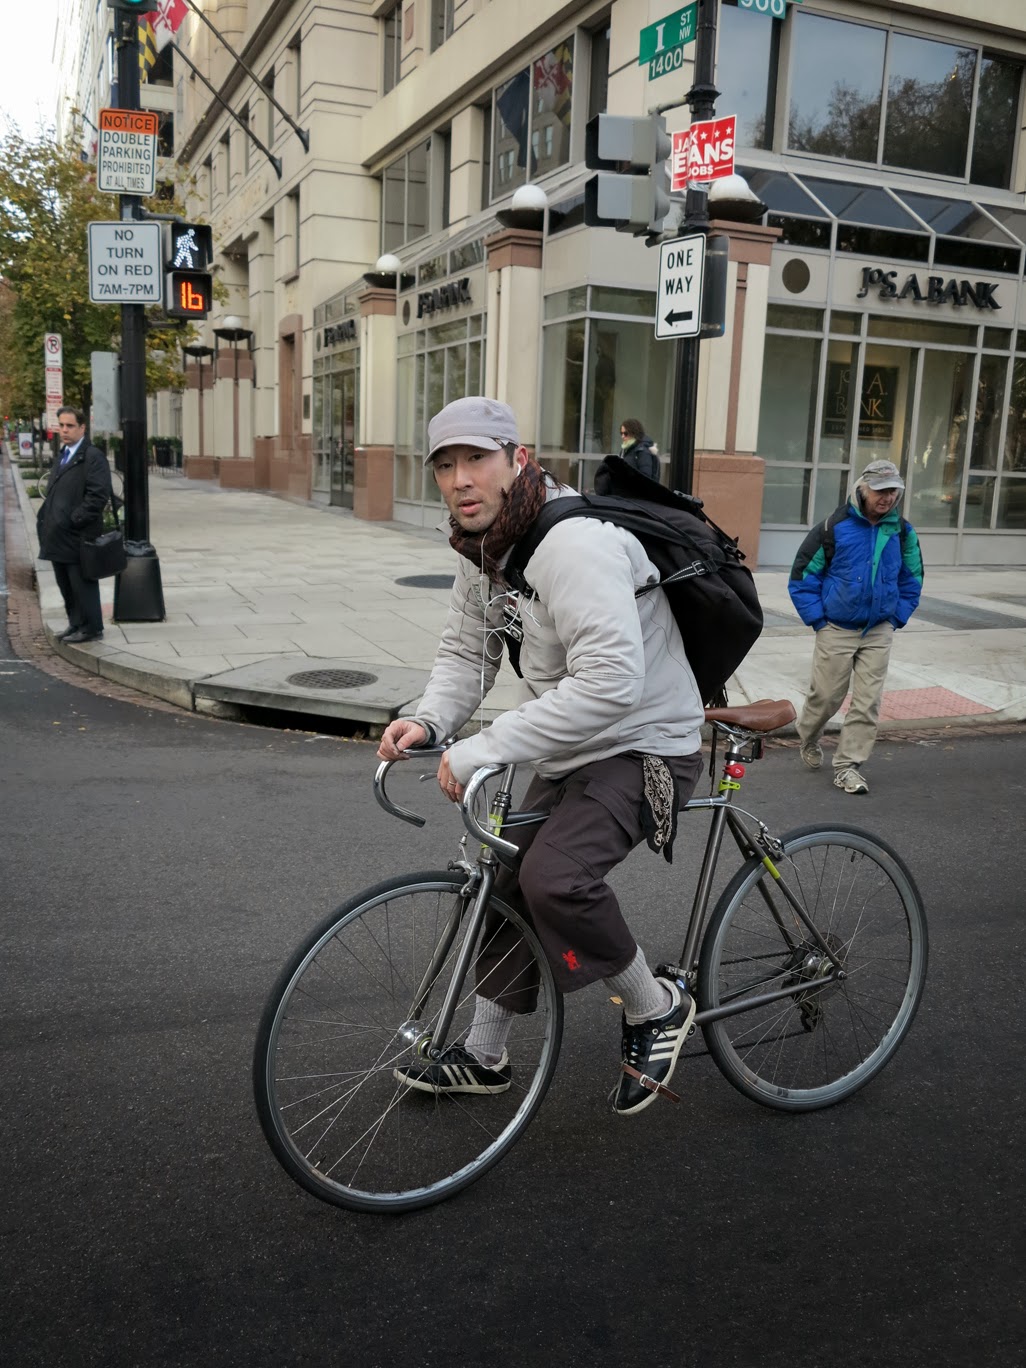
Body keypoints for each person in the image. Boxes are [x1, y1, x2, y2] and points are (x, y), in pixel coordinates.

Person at [377, 395, 706, 1116]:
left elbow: (612, 683)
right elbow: (468, 652)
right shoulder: (484, 549)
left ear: (517, 459)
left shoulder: (573, 546)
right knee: (505, 882)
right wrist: (429, 721)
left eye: (477, 458)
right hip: (571, 745)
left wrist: (485, 748)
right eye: (445, 465)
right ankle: (484, 1055)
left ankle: (656, 1008)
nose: (461, 479)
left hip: (646, 742)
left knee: (555, 879)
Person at [788, 459, 924, 795]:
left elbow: (913, 578)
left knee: (867, 702)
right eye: (880, 490)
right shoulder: (833, 527)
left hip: (879, 629)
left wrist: (896, 617)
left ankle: (848, 766)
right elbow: (803, 576)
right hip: (836, 627)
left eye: (893, 491)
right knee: (826, 697)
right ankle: (809, 735)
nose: (887, 497)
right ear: (862, 489)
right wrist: (819, 620)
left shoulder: (902, 532)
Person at [36, 406, 112, 644]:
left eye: (70, 425)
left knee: (82, 584)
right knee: (66, 584)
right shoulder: (64, 454)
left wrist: (74, 519)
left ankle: (91, 627)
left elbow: (98, 495)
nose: (64, 430)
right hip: (58, 535)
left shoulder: (92, 456)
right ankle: (76, 623)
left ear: (82, 428)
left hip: (78, 535)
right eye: (61, 425)